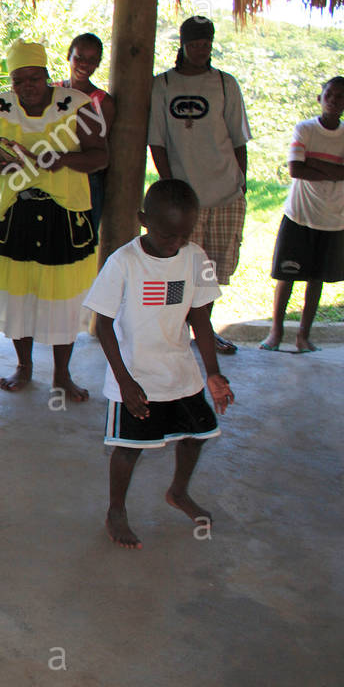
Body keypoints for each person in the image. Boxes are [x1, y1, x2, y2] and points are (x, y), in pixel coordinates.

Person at [83, 179, 234, 549]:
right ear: (143, 220)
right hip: (135, 373)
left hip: (180, 370)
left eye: (184, 234)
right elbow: (103, 324)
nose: (176, 243)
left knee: (197, 435)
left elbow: (200, 319)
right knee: (129, 447)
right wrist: (125, 381)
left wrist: (212, 372)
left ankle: (178, 492)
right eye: (168, 235)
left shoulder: (196, 257)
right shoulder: (124, 262)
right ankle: (116, 509)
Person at [0, 39, 109, 400]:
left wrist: (62, 159)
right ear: (12, 81)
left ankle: (62, 375)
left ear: (49, 76)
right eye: (19, 80)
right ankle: (24, 365)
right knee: (20, 293)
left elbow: (100, 157)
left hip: (63, 215)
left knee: (61, 297)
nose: (27, 87)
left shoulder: (78, 106)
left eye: (35, 78)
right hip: (14, 211)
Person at [149, 15, 251, 355]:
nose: (200, 50)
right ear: (182, 45)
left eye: (206, 44)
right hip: (183, 200)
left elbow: (238, 138)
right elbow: (158, 142)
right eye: (194, 44)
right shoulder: (162, 85)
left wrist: (242, 182)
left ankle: (203, 333)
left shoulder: (225, 84)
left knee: (213, 272)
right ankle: (175, 332)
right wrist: (169, 188)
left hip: (225, 193)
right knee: (179, 268)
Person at [261, 77, 344, 352]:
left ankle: (303, 336)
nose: (334, 99)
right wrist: (332, 169)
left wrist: (314, 163)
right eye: (329, 93)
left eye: (341, 96)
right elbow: (296, 170)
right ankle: (275, 333)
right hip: (298, 215)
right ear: (320, 96)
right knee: (287, 275)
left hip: (331, 218)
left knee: (316, 278)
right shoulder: (304, 129)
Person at [56, 33, 116, 237]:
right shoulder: (51, 91)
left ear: (98, 64)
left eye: (92, 60)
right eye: (79, 57)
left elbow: (96, 148)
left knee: (81, 240)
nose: (84, 64)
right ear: (68, 56)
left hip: (86, 179)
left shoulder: (102, 102)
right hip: (51, 174)